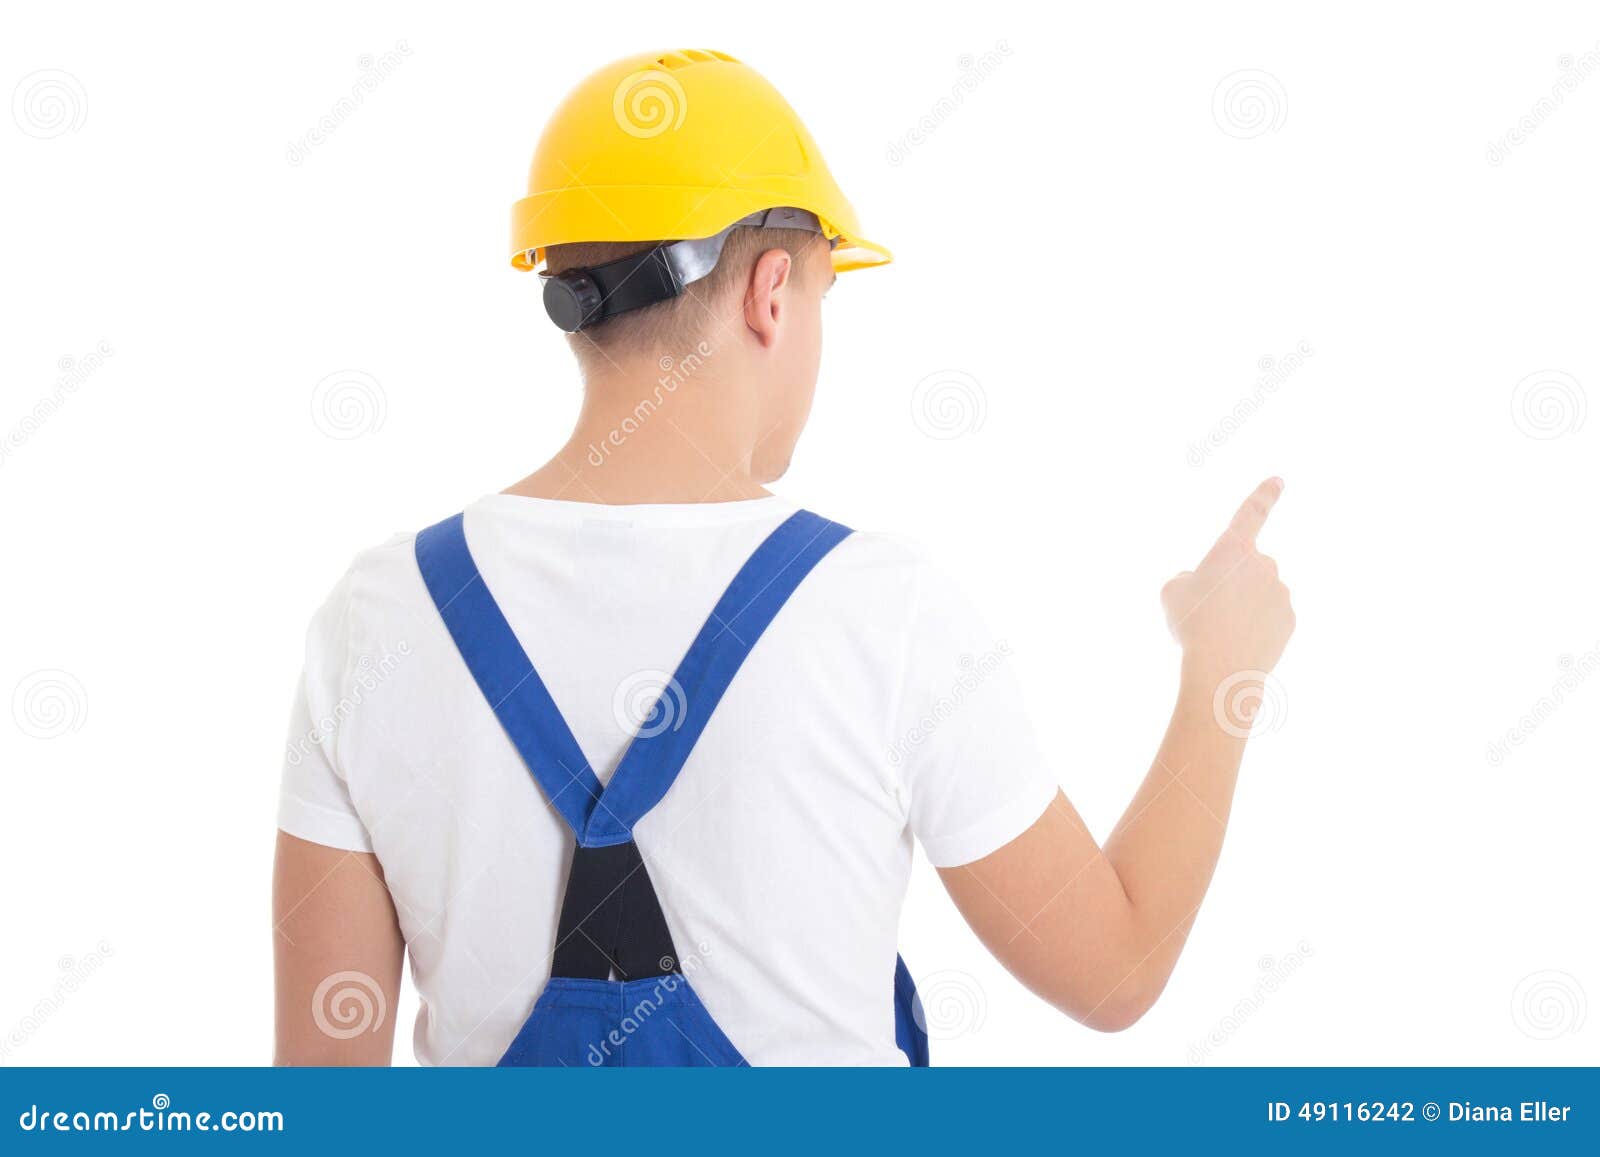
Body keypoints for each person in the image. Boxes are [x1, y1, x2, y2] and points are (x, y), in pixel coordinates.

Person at [272, 49, 1295, 1066]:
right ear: (770, 292)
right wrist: (1223, 662)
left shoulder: (376, 618)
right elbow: (1114, 971)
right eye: (819, 297)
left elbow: (319, 1103)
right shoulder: (885, 613)